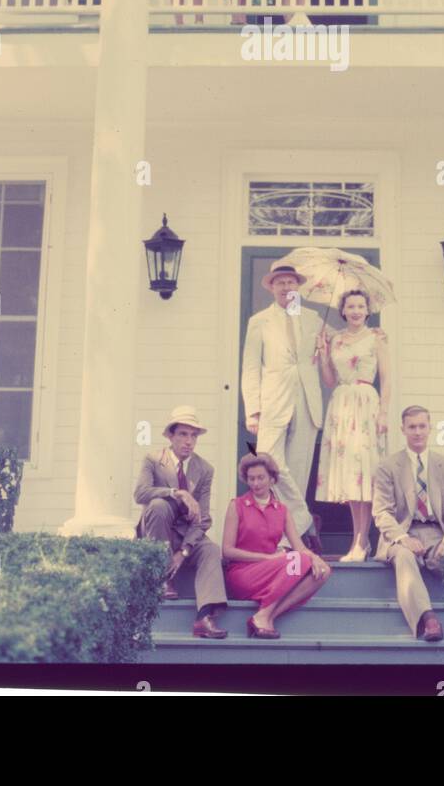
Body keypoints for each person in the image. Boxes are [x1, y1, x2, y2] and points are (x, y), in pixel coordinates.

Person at [240, 264, 325, 552]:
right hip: (272, 401)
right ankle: (305, 520)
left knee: (298, 470)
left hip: (307, 399)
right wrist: (252, 409)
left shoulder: (314, 319)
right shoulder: (259, 321)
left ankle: (289, 538)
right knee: (269, 461)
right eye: (281, 283)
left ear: (298, 286)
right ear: (271, 287)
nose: (287, 287)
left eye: (291, 282)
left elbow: (341, 342)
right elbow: (251, 366)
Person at [372, 405, 444, 642]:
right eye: (412, 427)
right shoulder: (388, 466)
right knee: (404, 556)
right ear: (403, 429)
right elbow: (382, 512)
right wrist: (404, 539)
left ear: (430, 428)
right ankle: (428, 619)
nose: (417, 432)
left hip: (437, 533)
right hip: (402, 532)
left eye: (422, 426)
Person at [133, 405, 228, 639]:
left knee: (211, 550)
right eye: (183, 434)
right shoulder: (153, 459)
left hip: (185, 536)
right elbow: (140, 494)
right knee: (158, 504)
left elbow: (203, 517)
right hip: (157, 530)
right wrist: (177, 492)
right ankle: (163, 578)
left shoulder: (204, 469)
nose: (189, 441)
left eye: (193, 435)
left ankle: (204, 617)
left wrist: (184, 551)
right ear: (171, 436)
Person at [313, 289, 390, 561]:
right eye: (351, 306)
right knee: (351, 476)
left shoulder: (376, 338)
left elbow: (387, 378)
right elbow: (330, 381)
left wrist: (384, 413)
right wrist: (323, 354)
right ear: (343, 310)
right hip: (342, 405)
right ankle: (358, 542)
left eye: (361, 306)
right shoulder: (336, 340)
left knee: (364, 475)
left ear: (367, 310)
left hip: (366, 405)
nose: (356, 311)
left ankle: (362, 541)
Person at [222, 452, 331, 638]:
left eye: (261, 478)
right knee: (297, 560)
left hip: (273, 574)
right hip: (243, 575)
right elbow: (227, 551)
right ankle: (264, 616)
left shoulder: (282, 510)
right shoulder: (237, 505)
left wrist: (316, 559)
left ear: (272, 478)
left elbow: (300, 548)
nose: (256, 483)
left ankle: (266, 615)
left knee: (323, 572)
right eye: (251, 479)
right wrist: (269, 557)